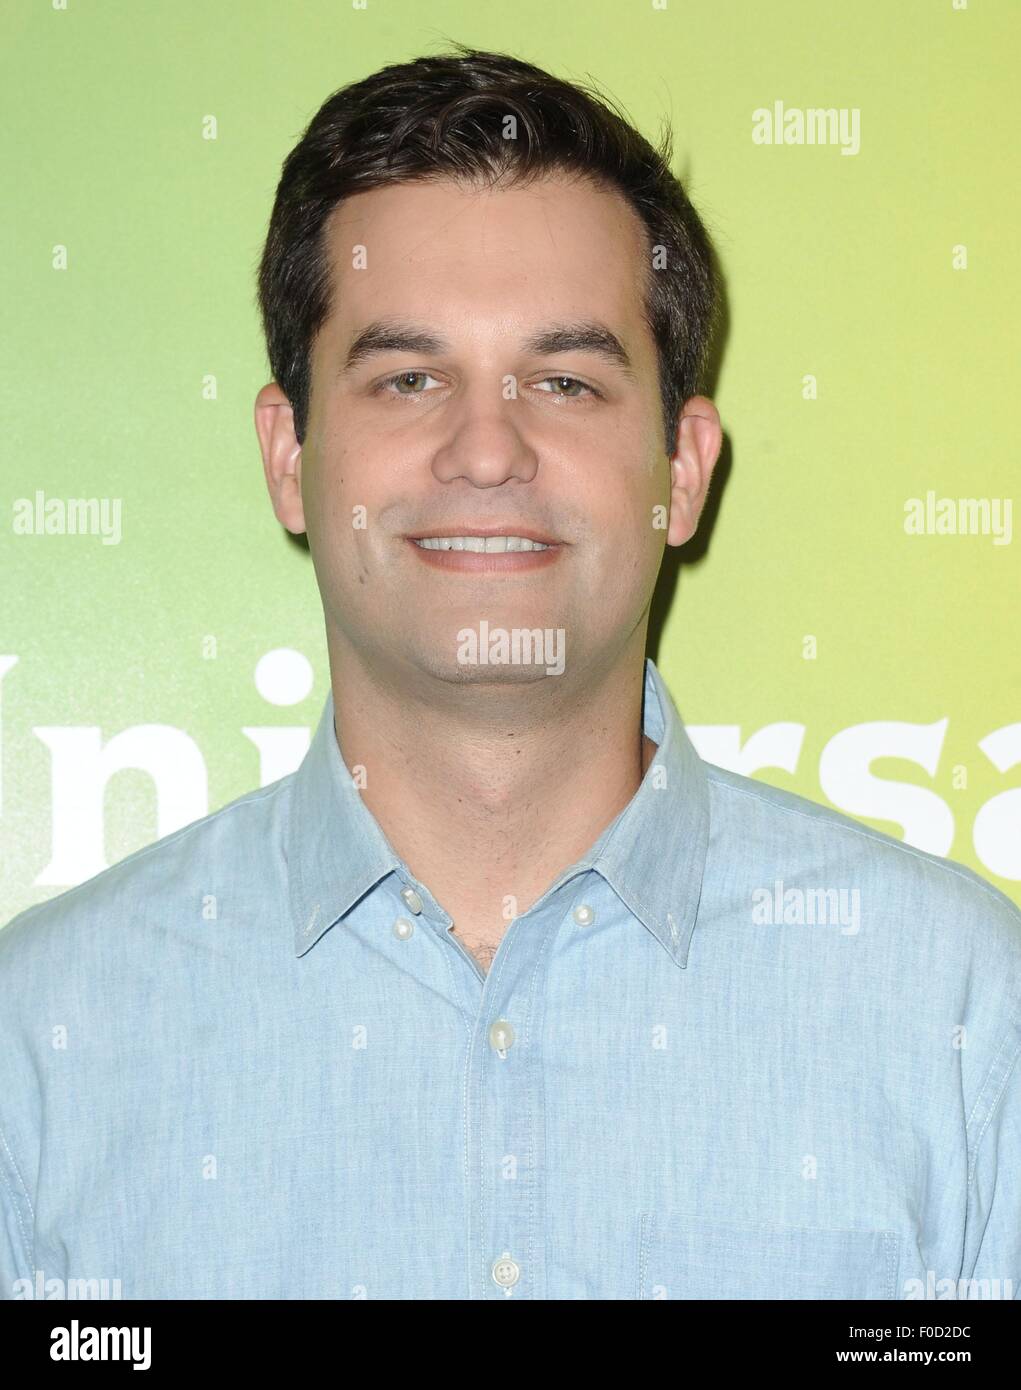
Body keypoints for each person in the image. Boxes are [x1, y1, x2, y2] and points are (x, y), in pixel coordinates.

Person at [2, 45, 1018, 1302]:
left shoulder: (964, 1009)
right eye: (410, 377)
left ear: (683, 470)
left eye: (565, 381)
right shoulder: (39, 1037)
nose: (487, 449)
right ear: (288, 454)